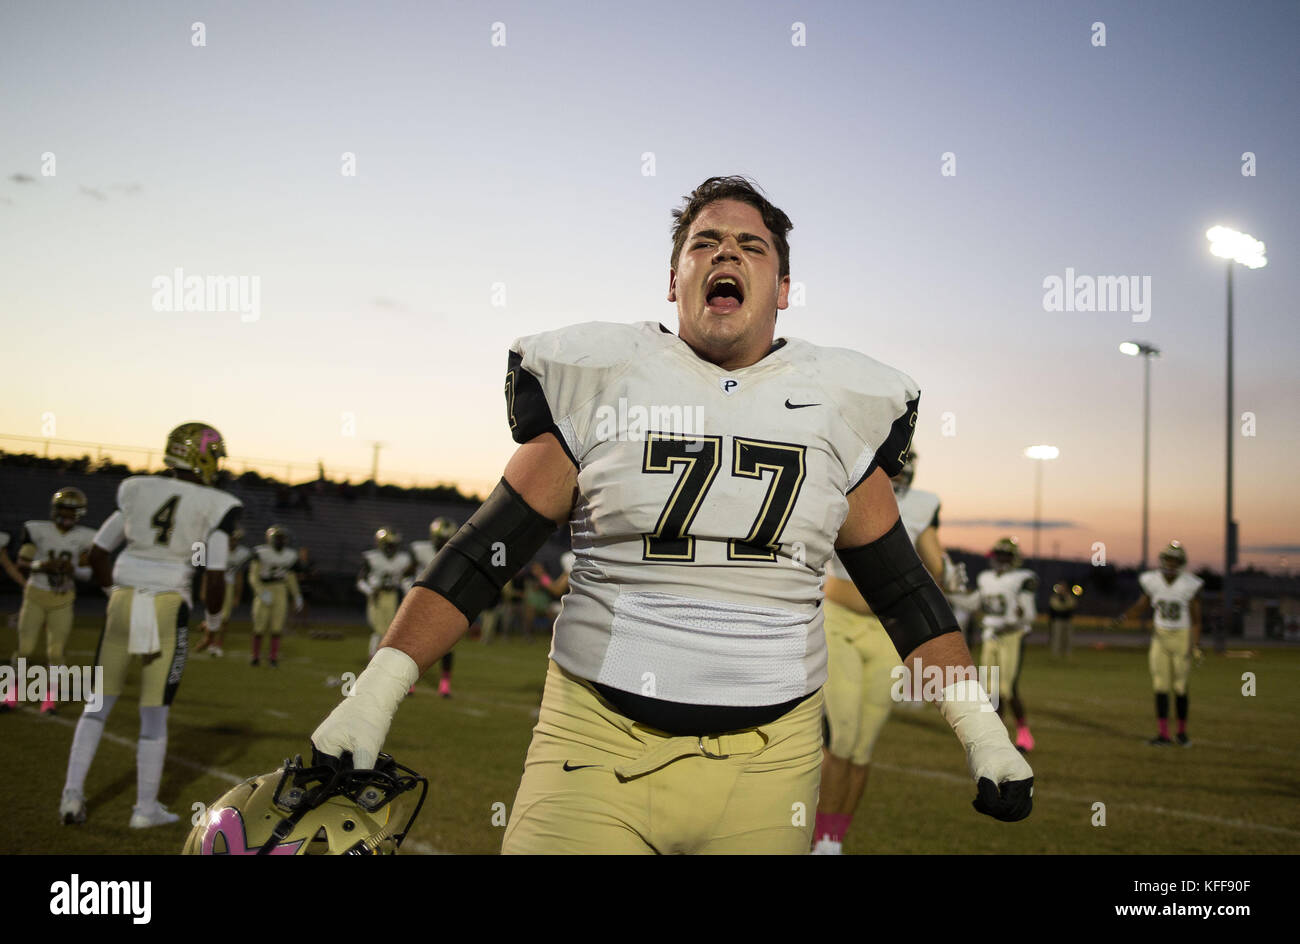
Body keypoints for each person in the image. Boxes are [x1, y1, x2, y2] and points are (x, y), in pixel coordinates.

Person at [310, 176, 1033, 853]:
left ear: (782, 288)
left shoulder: (838, 405)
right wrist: (374, 694)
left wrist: (980, 731)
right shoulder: (604, 379)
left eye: (752, 246)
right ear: (672, 280)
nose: (726, 253)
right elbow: (479, 557)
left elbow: (903, 592)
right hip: (594, 747)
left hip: (770, 767)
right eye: (704, 242)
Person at [60, 423, 240, 827]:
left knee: (97, 705)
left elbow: (98, 554)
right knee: (154, 712)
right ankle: (144, 809)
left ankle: (71, 796)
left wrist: (115, 597)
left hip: (124, 600)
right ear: (204, 456)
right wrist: (213, 623)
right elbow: (213, 575)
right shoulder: (217, 503)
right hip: (167, 604)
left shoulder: (138, 489)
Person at [812, 452, 965, 854]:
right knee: (840, 736)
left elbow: (936, 563)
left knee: (862, 746)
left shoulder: (922, 504)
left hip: (887, 628)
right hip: (837, 619)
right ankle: (816, 841)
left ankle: (832, 841)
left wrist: (949, 573)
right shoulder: (839, 487)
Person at [3, 488, 98, 714]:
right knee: (24, 649)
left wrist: (72, 569)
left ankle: (49, 699)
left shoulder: (86, 537)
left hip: (63, 599)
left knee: (56, 653)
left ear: (79, 513)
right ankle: (11, 695)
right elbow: (22, 563)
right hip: (35, 595)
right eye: (65, 509)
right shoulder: (37, 530)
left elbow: (87, 573)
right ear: (56, 510)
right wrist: (43, 566)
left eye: (72, 511)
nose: (67, 515)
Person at [953, 537, 1038, 753]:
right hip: (990, 637)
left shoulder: (1023, 578)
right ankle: (998, 737)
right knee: (991, 690)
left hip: (1011, 637)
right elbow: (973, 603)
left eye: (1004, 555)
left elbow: (1029, 615)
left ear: (1013, 558)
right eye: (997, 555)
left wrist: (1013, 621)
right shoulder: (986, 578)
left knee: (1007, 689)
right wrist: (947, 592)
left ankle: (1024, 734)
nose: (999, 560)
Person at [1115, 542, 1202, 746]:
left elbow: (1196, 619)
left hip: (1181, 636)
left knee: (1180, 686)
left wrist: (1195, 644)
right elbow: (1141, 605)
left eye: (1175, 561)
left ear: (1181, 563)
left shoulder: (1190, 584)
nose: (1170, 564)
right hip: (1160, 636)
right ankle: (1163, 734)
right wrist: (1123, 617)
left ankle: (1181, 733)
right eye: (1168, 560)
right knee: (1160, 685)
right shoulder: (1152, 581)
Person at [409, 519, 457, 696]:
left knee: (446, 646)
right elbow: (407, 573)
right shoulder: (420, 550)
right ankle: (410, 682)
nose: (443, 542)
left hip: (444, 602)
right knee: (415, 643)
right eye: (441, 539)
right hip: (421, 602)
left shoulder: (457, 553)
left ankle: (444, 685)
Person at [247, 525, 302, 667]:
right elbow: (253, 576)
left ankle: (273, 658)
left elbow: (290, 577)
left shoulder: (290, 555)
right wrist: (260, 591)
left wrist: (296, 595)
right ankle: (255, 656)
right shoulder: (261, 552)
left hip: (280, 589)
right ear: (270, 539)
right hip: (265, 588)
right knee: (259, 625)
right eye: (277, 538)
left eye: (282, 538)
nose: (280, 541)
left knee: (277, 626)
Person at [195, 526, 250, 658]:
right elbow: (206, 573)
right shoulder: (217, 550)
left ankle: (215, 644)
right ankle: (209, 637)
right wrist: (203, 589)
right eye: (231, 539)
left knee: (225, 619)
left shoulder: (242, 553)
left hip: (229, 586)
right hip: (215, 584)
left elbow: (239, 576)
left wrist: (237, 595)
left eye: (235, 540)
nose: (233, 542)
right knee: (216, 615)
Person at [358, 528, 413, 660]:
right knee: (379, 629)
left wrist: (409, 594)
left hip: (393, 595)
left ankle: (380, 657)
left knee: (390, 630)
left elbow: (405, 579)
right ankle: (374, 656)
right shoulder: (372, 558)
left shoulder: (402, 559)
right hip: (377, 595)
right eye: (389, 545)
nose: (391, 548)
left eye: (393, 545)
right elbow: (360, 581)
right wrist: (371, 591)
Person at [1048, 582, 1080, 658]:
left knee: (1068, 638)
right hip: (1057, 620)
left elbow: (1072, 604)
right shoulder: (1055, 597)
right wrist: (1065, 607)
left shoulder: (1069, 596)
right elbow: (1055, 606)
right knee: (1057, 638)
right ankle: (1055, 654)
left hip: (1067, 620)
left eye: (1064, 587)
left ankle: (1068, 653)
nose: (1062, 589)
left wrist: (1064, 606)